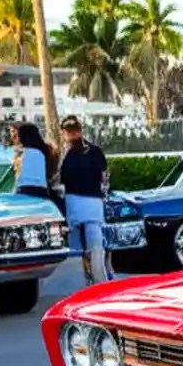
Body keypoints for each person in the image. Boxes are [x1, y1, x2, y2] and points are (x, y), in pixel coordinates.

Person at [57, 115, 109, 285]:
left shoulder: (67, 155)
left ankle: (83, 282)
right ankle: (100, 281)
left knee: (77, 247)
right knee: (96, 246)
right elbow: (104, 177)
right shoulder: (95, 151)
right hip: (94, 203)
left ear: (65, 133)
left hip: (74, 203)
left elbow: (61, 180)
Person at [11, 123, 57, 202]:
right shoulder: (46, 152)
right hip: (43, 193)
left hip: (24, 193)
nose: (15, 136)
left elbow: (19, 178)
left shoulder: (22, 154)